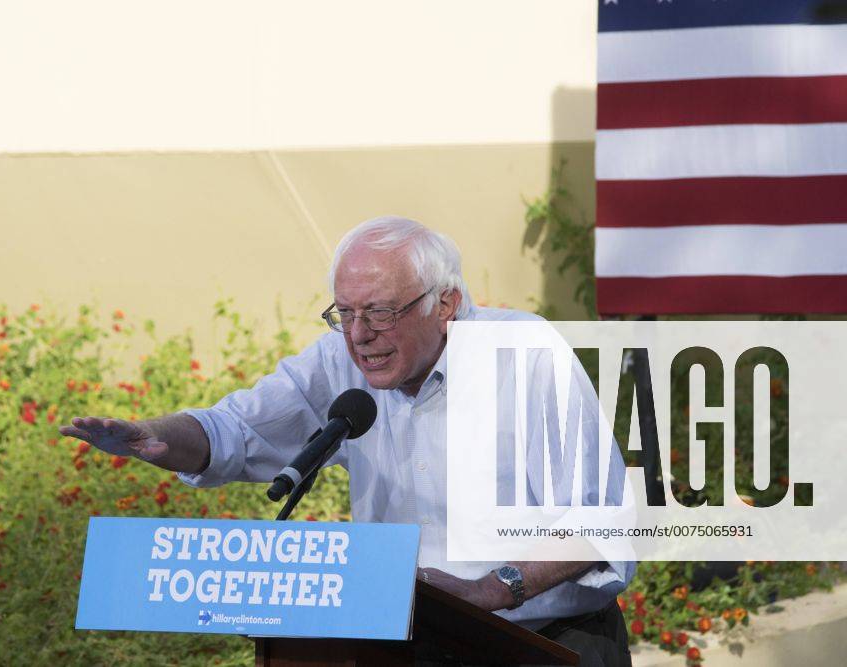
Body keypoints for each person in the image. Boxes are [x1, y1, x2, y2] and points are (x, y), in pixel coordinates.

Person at [60, 216, 634, 665]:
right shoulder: (340, 361)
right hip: (407, 643)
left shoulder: (526, 357)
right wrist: (153, 437)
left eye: (381, 312)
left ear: (447, 303)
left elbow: (600, 519)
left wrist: (491, 588)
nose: (360, 336)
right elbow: (236, 430)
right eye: (346, 312)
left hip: (545, 641)